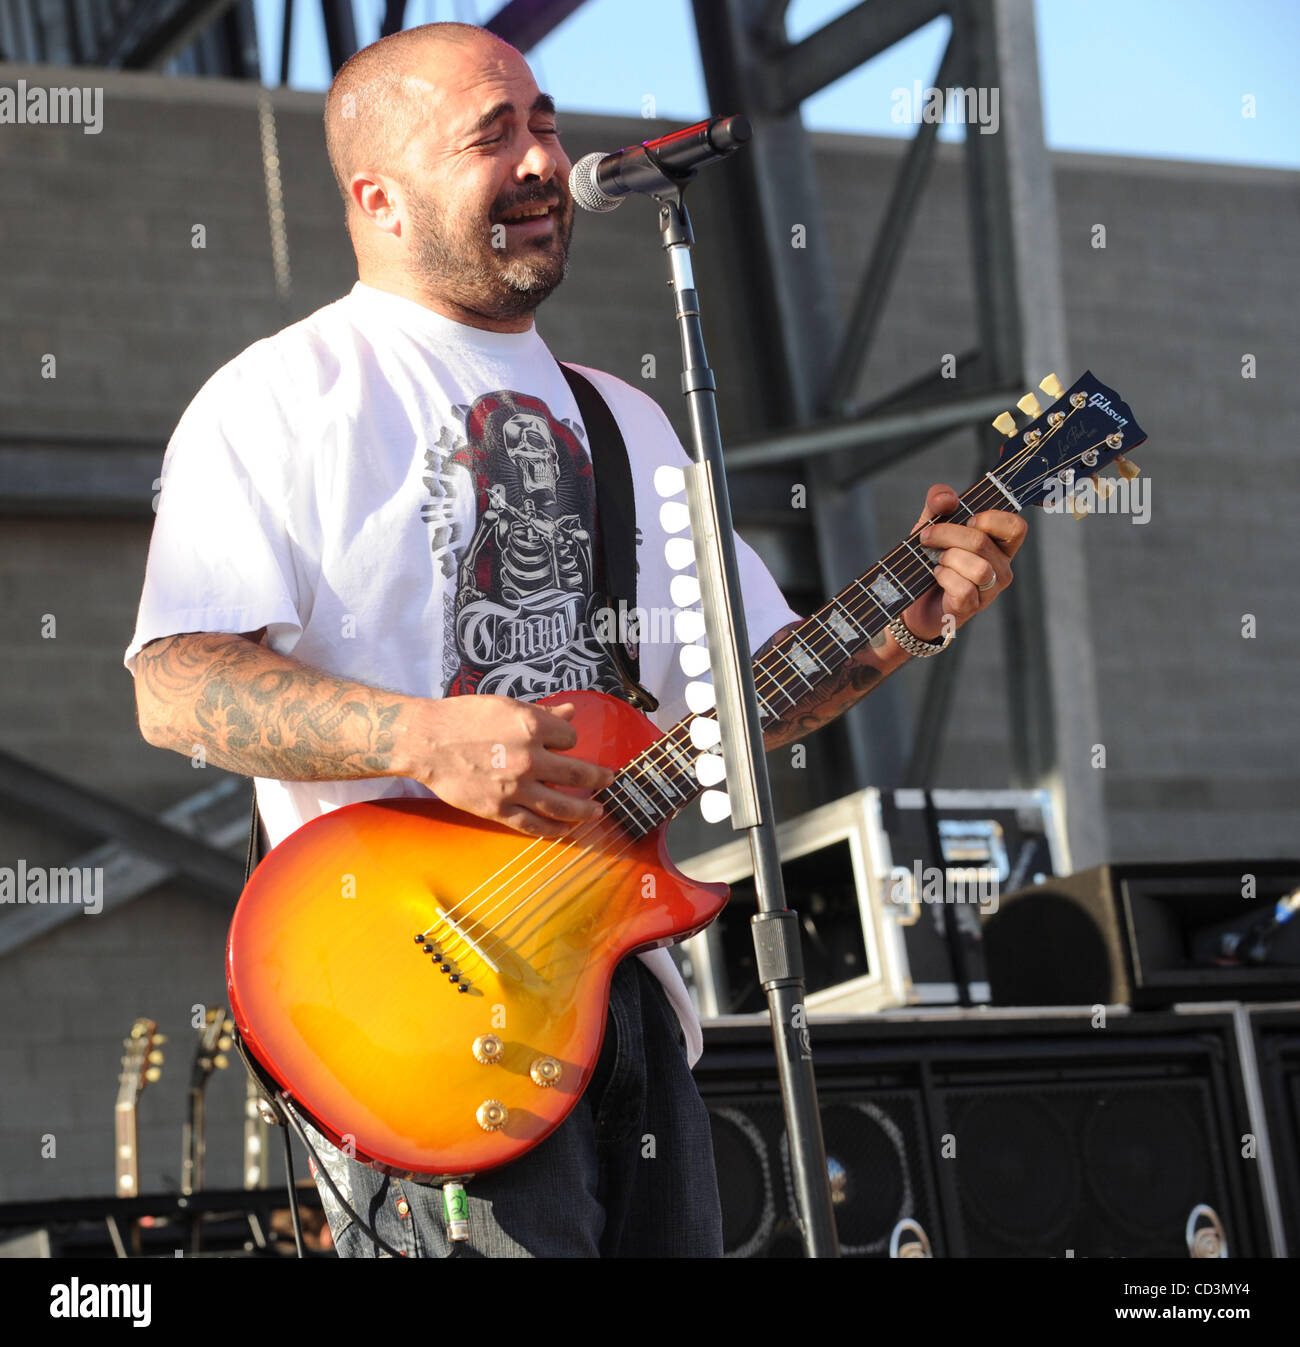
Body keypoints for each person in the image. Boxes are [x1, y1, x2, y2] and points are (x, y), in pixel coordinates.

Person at [125, 22, 1026, 1257]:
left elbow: (748, 699)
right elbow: (175, 687)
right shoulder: (277, 401)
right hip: (419, 1017)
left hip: (629, 1008)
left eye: (544, 122)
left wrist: (898, 631)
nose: (545, 160)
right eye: (493, 136)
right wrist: (419, 737)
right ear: (377, 196)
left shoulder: (631, 422)